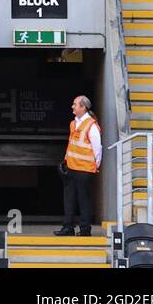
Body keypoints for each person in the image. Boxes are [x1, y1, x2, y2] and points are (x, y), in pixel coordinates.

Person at [56, 94, 101, 237]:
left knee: (83, 200)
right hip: (71, 167)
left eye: (75, 104)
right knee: (69, 198)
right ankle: (68, 227)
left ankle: (85, 230)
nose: (72, 107)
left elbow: (97, 149)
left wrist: (94, 166)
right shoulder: (73, 124)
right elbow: (71, 145)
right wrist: (65, 161)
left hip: (84, 169)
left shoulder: (91, 125)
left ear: (83, 107)